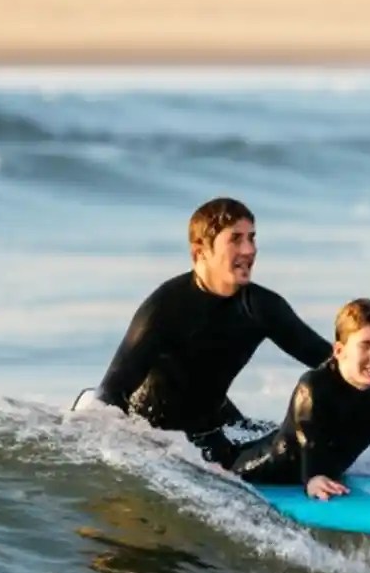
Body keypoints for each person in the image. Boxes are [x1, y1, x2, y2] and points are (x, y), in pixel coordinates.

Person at [84, 197, 331, 464]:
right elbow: (110, 393)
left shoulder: (261, 308)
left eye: (252, 238)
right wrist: (118, 462)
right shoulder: (165, 308)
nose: (249, 250)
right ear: (199, 252)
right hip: (155, 436)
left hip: (215, 427)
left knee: (296, 445)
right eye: (235, 239)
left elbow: (333, 365)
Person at [230, 298, 370, 500]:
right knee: (229, 469)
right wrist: (314, 479)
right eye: (365, 345)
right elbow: (311, 450)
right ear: (339, 351)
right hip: (264, 473)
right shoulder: (314, 387)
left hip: (325, 473)